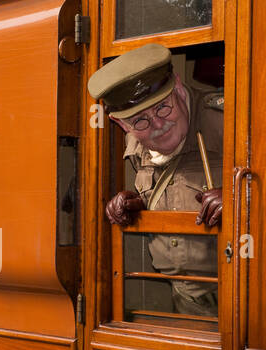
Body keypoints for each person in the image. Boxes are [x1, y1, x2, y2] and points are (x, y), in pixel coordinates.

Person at [88, 42, 223, 317]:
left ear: (178, 86)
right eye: (140, 121)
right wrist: (137, 205)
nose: (158, 125)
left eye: (163, 107)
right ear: (120, 124)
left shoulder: (227, 120)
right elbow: (170, 189)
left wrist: (238, 199)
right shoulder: (136, 144)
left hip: (242, 292)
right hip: (185, 302)